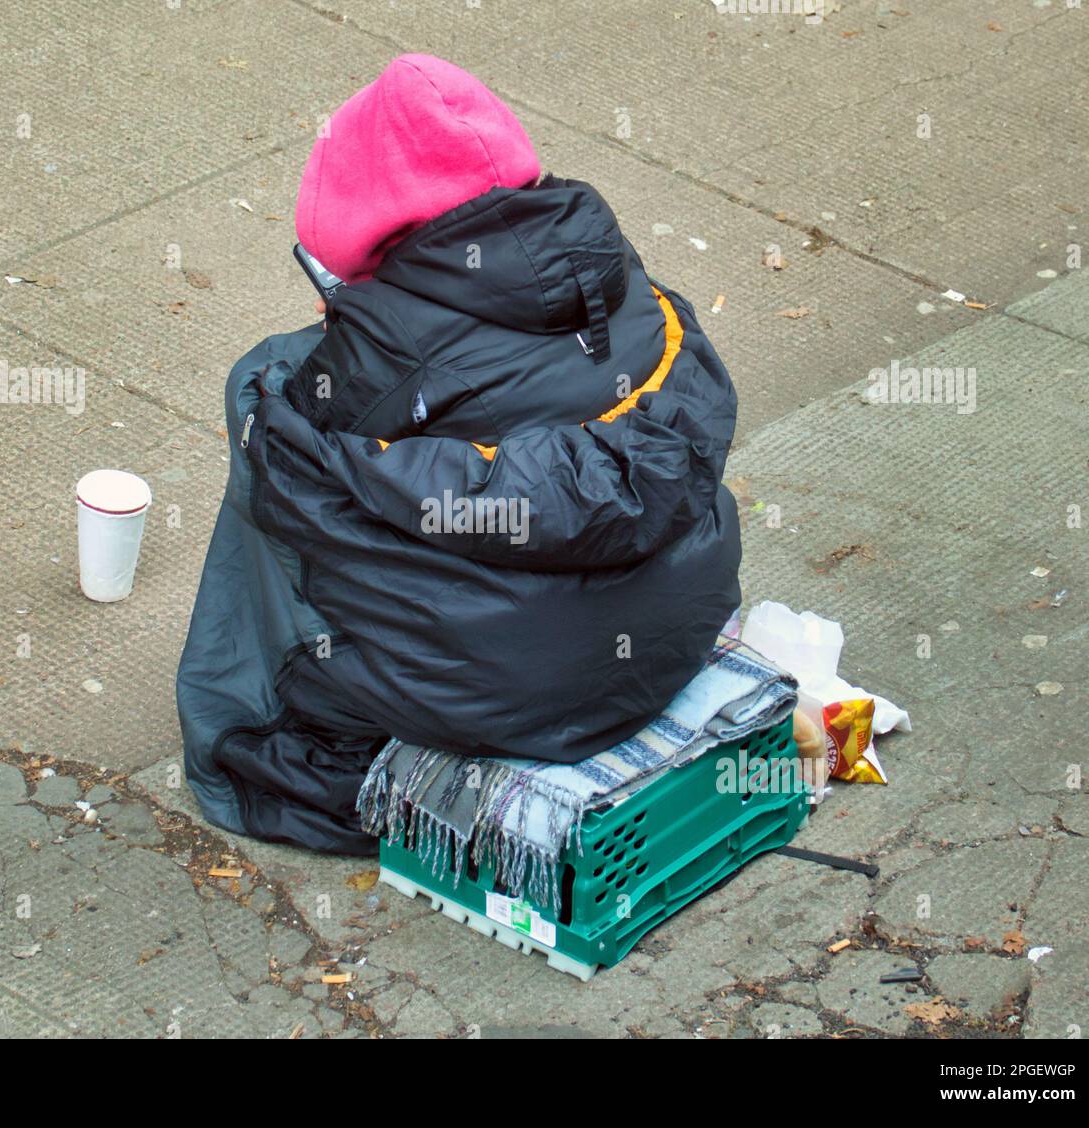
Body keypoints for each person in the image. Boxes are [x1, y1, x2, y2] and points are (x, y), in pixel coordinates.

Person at [177, 54, 741, 854]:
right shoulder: (622, 278)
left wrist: (342, 352)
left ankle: (245, 732)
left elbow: (329, 455)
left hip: (511, 696)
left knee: (266, 402)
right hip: (673, 640)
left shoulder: (367, 369)